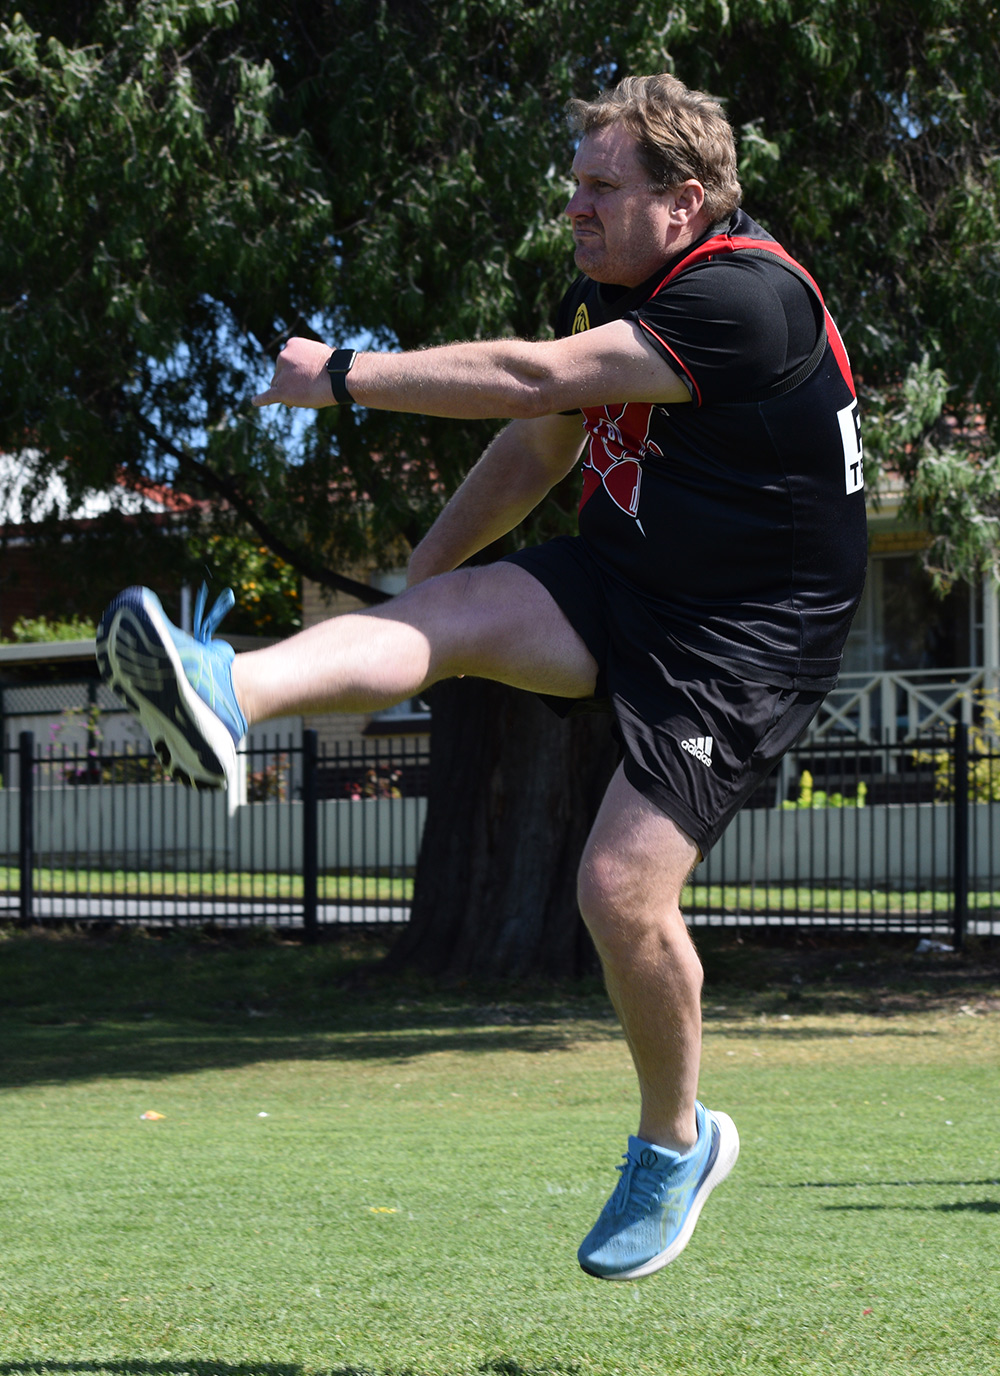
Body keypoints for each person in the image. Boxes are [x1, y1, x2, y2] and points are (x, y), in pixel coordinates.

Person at [96, 73, 867, 1282]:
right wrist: (428, 572)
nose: (575, 208)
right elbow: (539, 438)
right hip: (628, 580)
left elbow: (529, 380)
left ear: (688, 199)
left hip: (744, 637)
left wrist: (342, 372)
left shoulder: (744, 299)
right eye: (573, 186)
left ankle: (677, 1143)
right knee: (448, 613)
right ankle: (220, 691)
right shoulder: (618, 289)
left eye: (602, 187)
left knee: (616, 893)